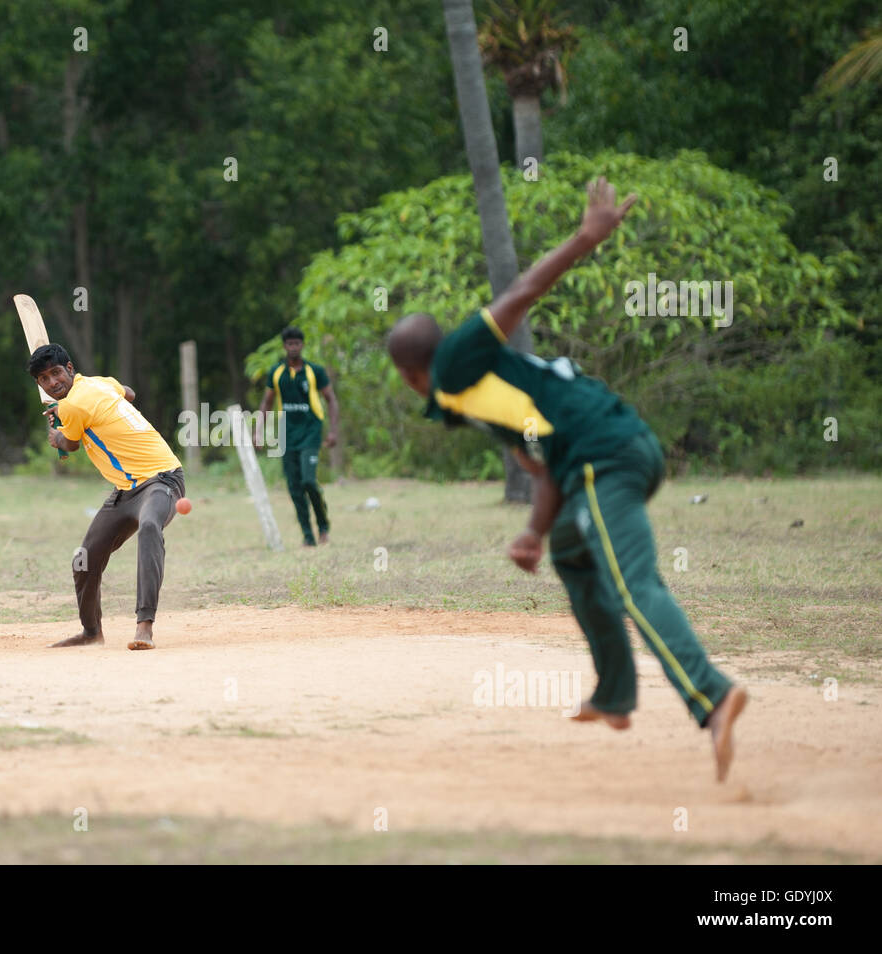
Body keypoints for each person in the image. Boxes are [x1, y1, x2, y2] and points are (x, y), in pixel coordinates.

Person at [387, 177, 747, 782]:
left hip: (605, 456)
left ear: (410, 375)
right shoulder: (479, 397)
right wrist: (533, 532)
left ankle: (711, 697)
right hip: (595, 459)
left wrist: (586, 237)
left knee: (633, 584)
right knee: (574, 553)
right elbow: (540, 468)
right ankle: (613, 694)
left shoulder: (456, 360)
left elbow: (525, 290)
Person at [29, 344, 184, 651]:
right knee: (84, 560)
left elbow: (69, 446)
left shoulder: (72, 406)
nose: (52, 383)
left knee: (150, 527)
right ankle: (90, 632)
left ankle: (144, 626)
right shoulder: (99, 382)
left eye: (57, 373)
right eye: (44, 379)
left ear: (70, 369)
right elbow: (129, 393)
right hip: (126, 491)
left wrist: (56, 435)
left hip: (162, 479)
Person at [256, 327, 340, 546]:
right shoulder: (276, 373)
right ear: (284, 346)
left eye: (297, 343)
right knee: (294, 487)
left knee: (309, 481)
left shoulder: (315, 372)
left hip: (311, 431)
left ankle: (323, 525)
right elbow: (266, 402)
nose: (293, 347)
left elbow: (331, 399)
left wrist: (333, 430)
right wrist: (258, 431)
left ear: (302, 345)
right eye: (289, 343)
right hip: (286, 435)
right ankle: (308, 536)